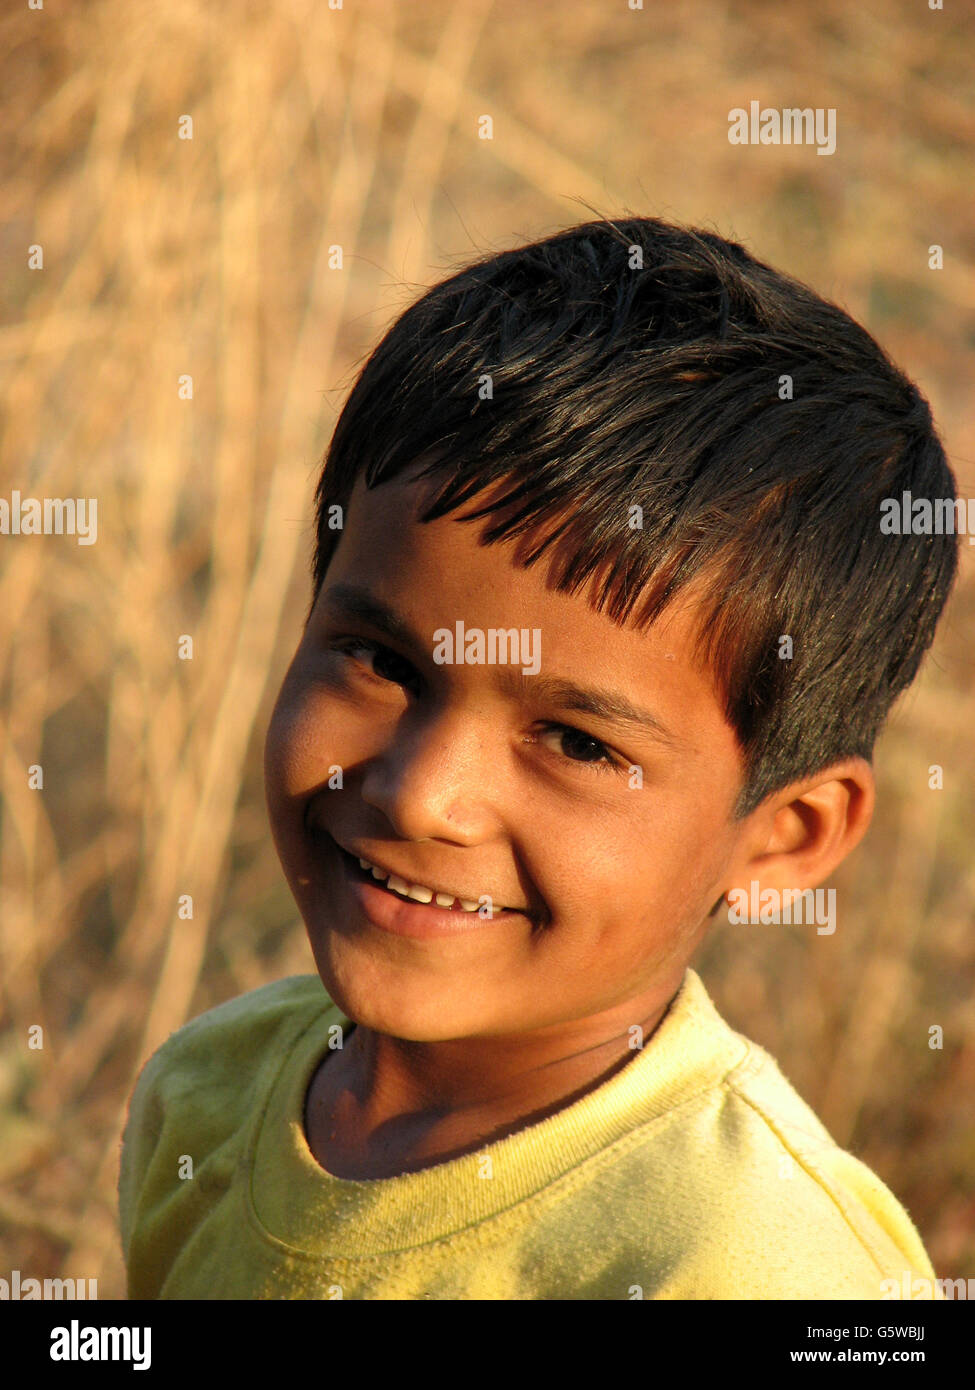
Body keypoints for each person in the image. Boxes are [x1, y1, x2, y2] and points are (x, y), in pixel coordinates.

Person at [119, 215, 956, 1299]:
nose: (425, 795)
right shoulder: (210, 1094)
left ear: (785, 840)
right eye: (380, 661)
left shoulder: (755, 1262)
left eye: (575, 741)